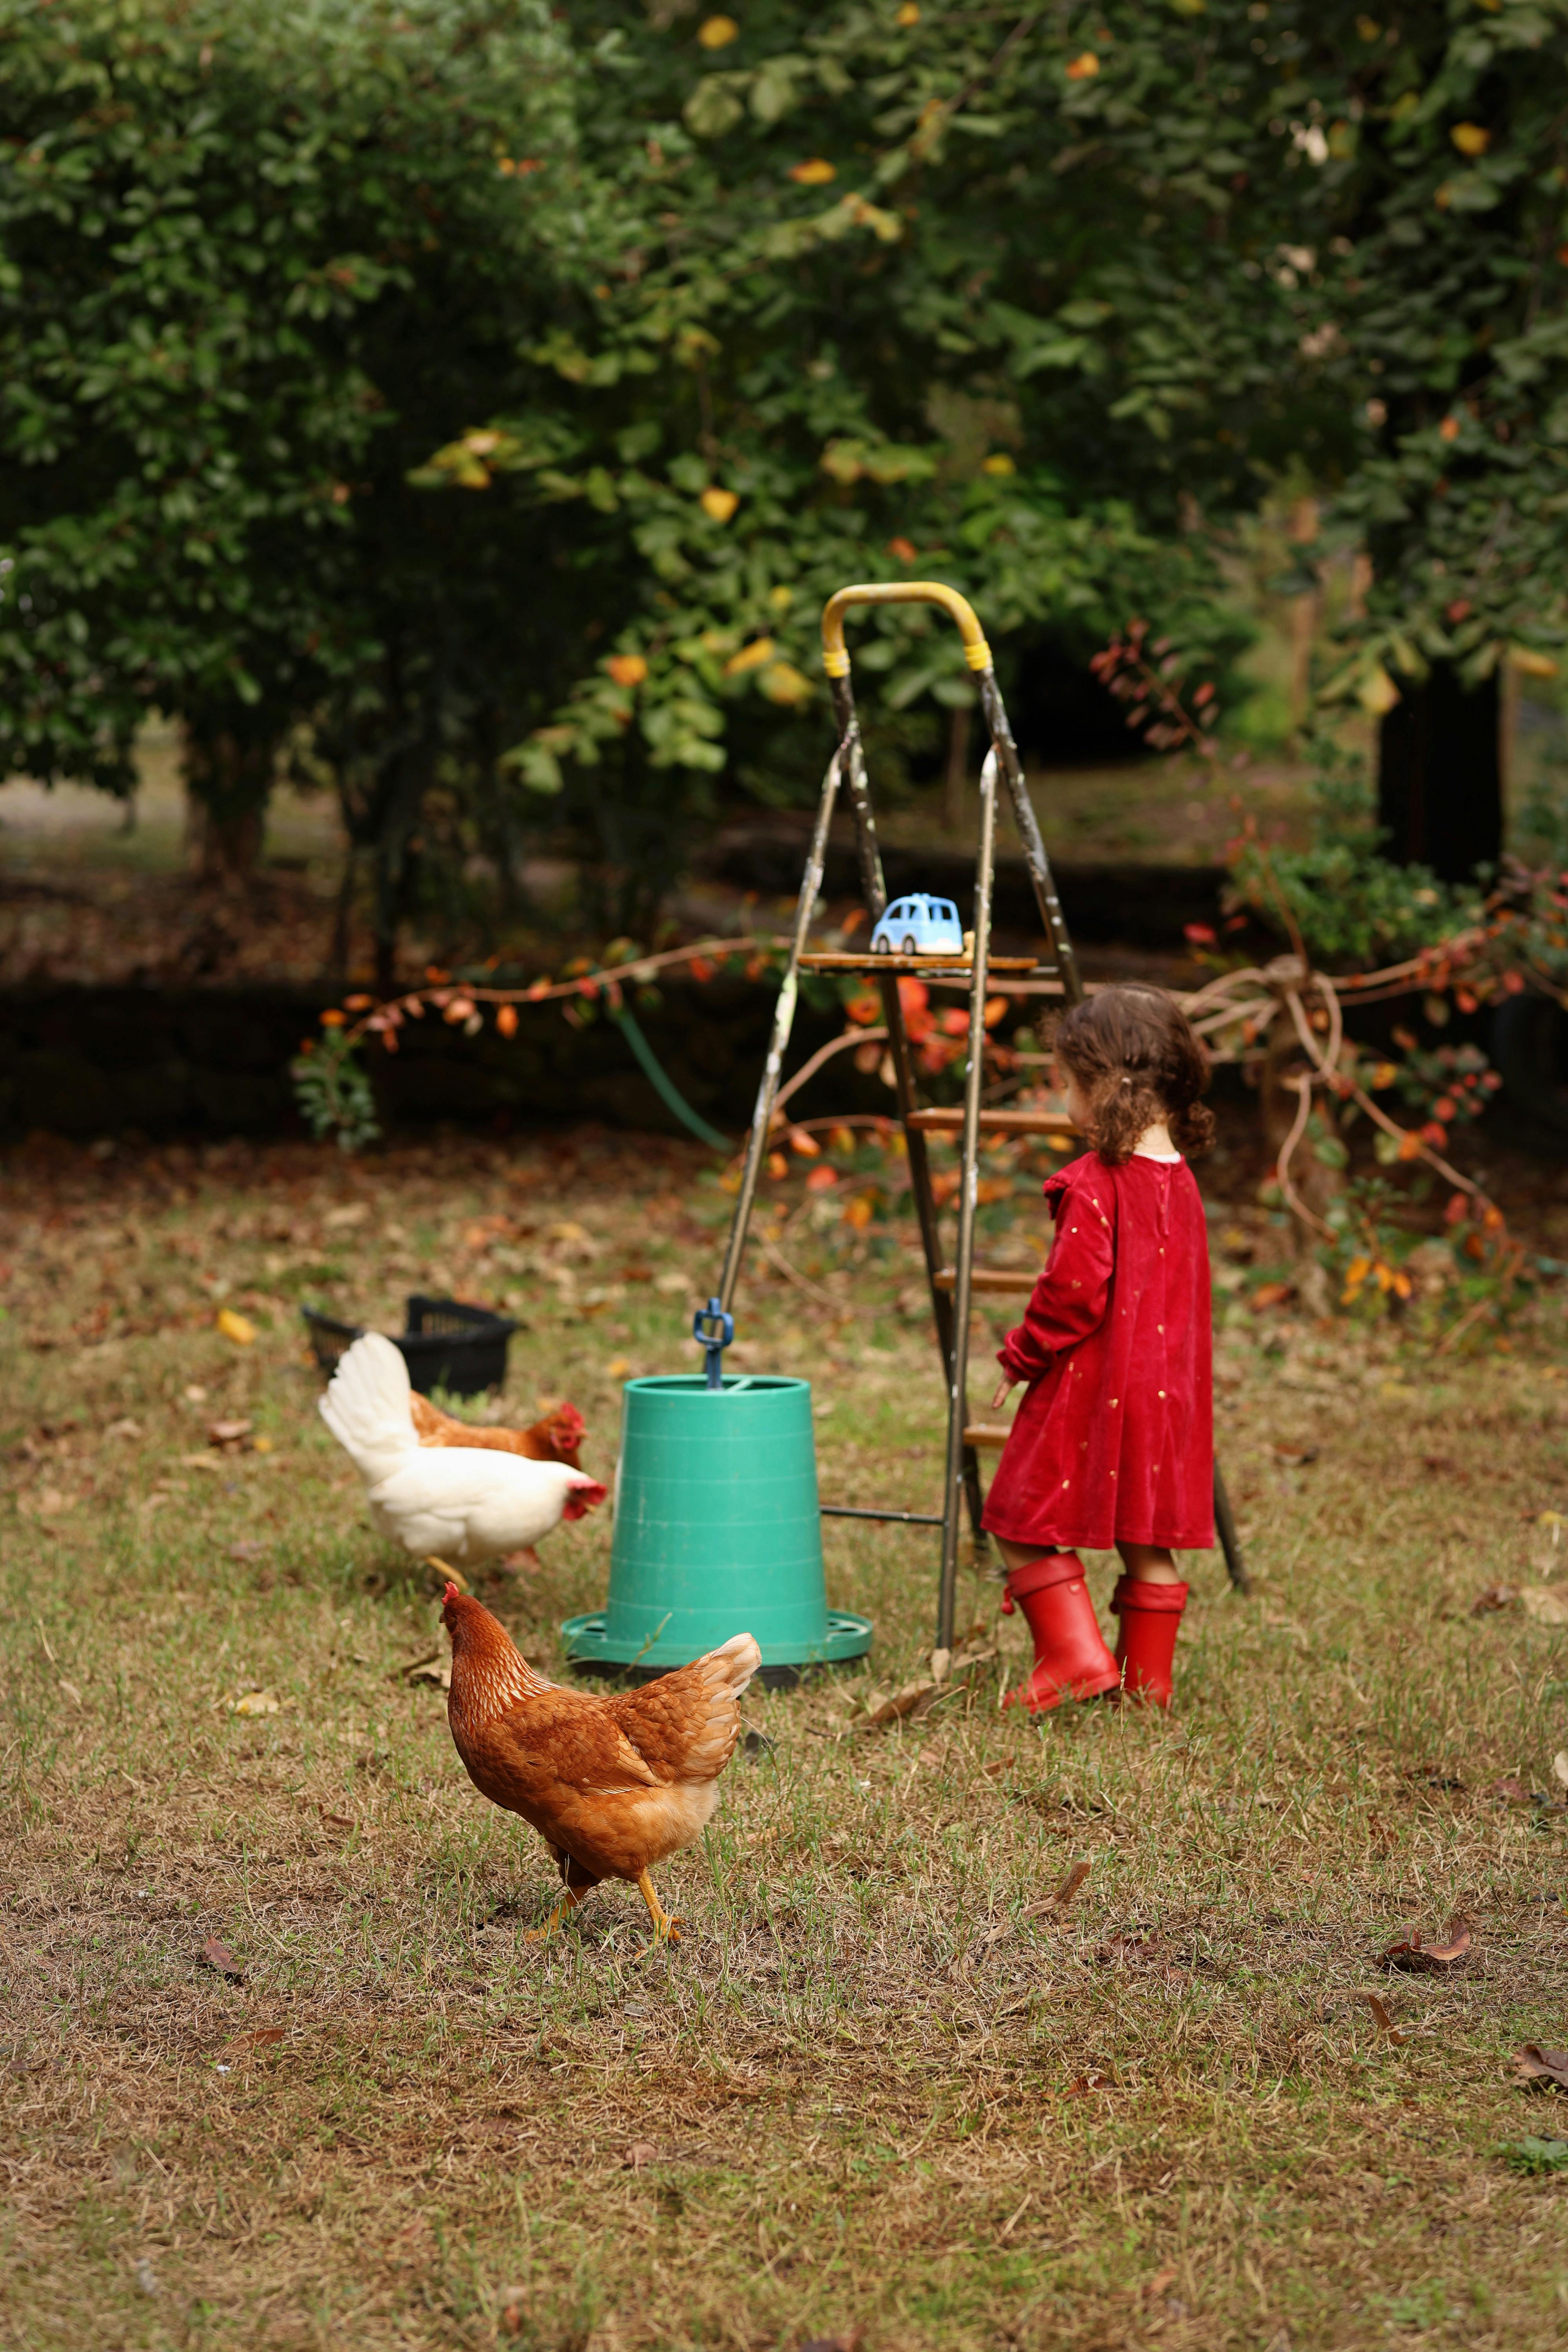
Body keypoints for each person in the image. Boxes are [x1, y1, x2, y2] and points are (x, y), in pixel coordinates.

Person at [984, 984, 1216, 1710]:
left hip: (1097, 1388)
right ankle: (1148, 1690)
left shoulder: (1093, 1184)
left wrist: (1021, 1356)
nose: (1064, 1102)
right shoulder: (1182, 1183)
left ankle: (1074, 1658)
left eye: (1066, 1084)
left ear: (1104, 1085)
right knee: (1147, 1539)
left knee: (1016, 1518)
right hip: (1170, 1397)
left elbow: (1072, 1294)